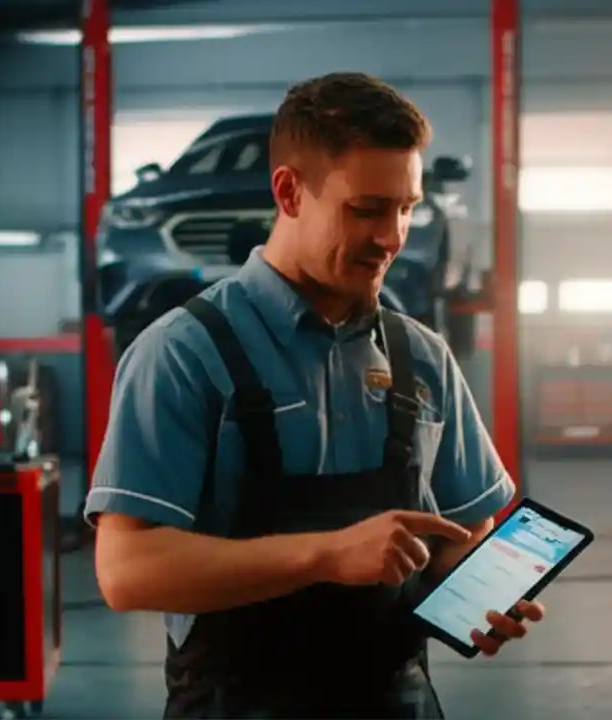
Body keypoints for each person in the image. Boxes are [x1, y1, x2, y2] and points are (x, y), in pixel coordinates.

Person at [87, 71, 539, 719]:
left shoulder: (423, 357)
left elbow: (463, 529)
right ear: (289, 191)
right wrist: (328, 556)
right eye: (367, 209)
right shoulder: (184, 354)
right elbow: (127, 570)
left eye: (406, 208)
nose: (392, 236)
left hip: (396, 701)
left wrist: (477, 593)